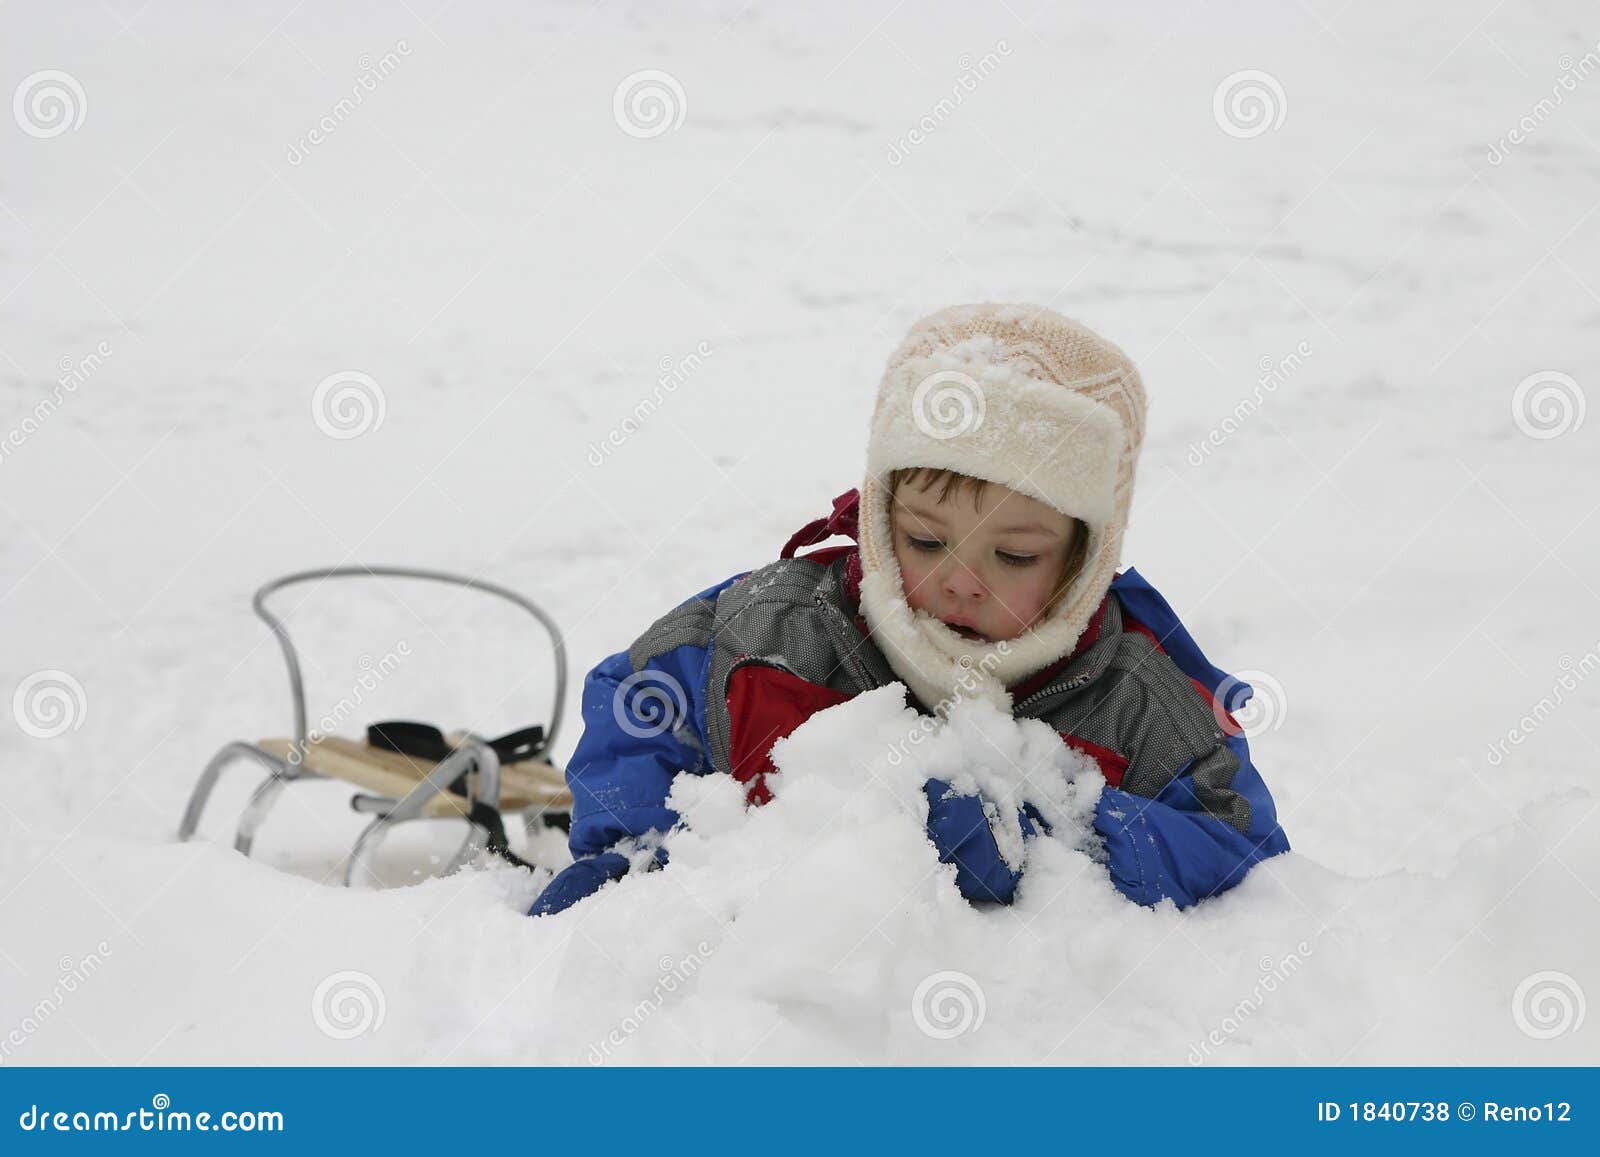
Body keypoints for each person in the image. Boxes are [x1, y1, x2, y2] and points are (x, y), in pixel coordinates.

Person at [528, 303, 1290, 916]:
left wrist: (1060, 835)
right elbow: (642, 702)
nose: (962, 582)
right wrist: (637, 853)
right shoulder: (771, 634)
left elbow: (1246, 857)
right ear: (880, 520)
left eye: (1015, 556)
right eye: (927, 540)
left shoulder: (1138, 703)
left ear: (1085, 560)